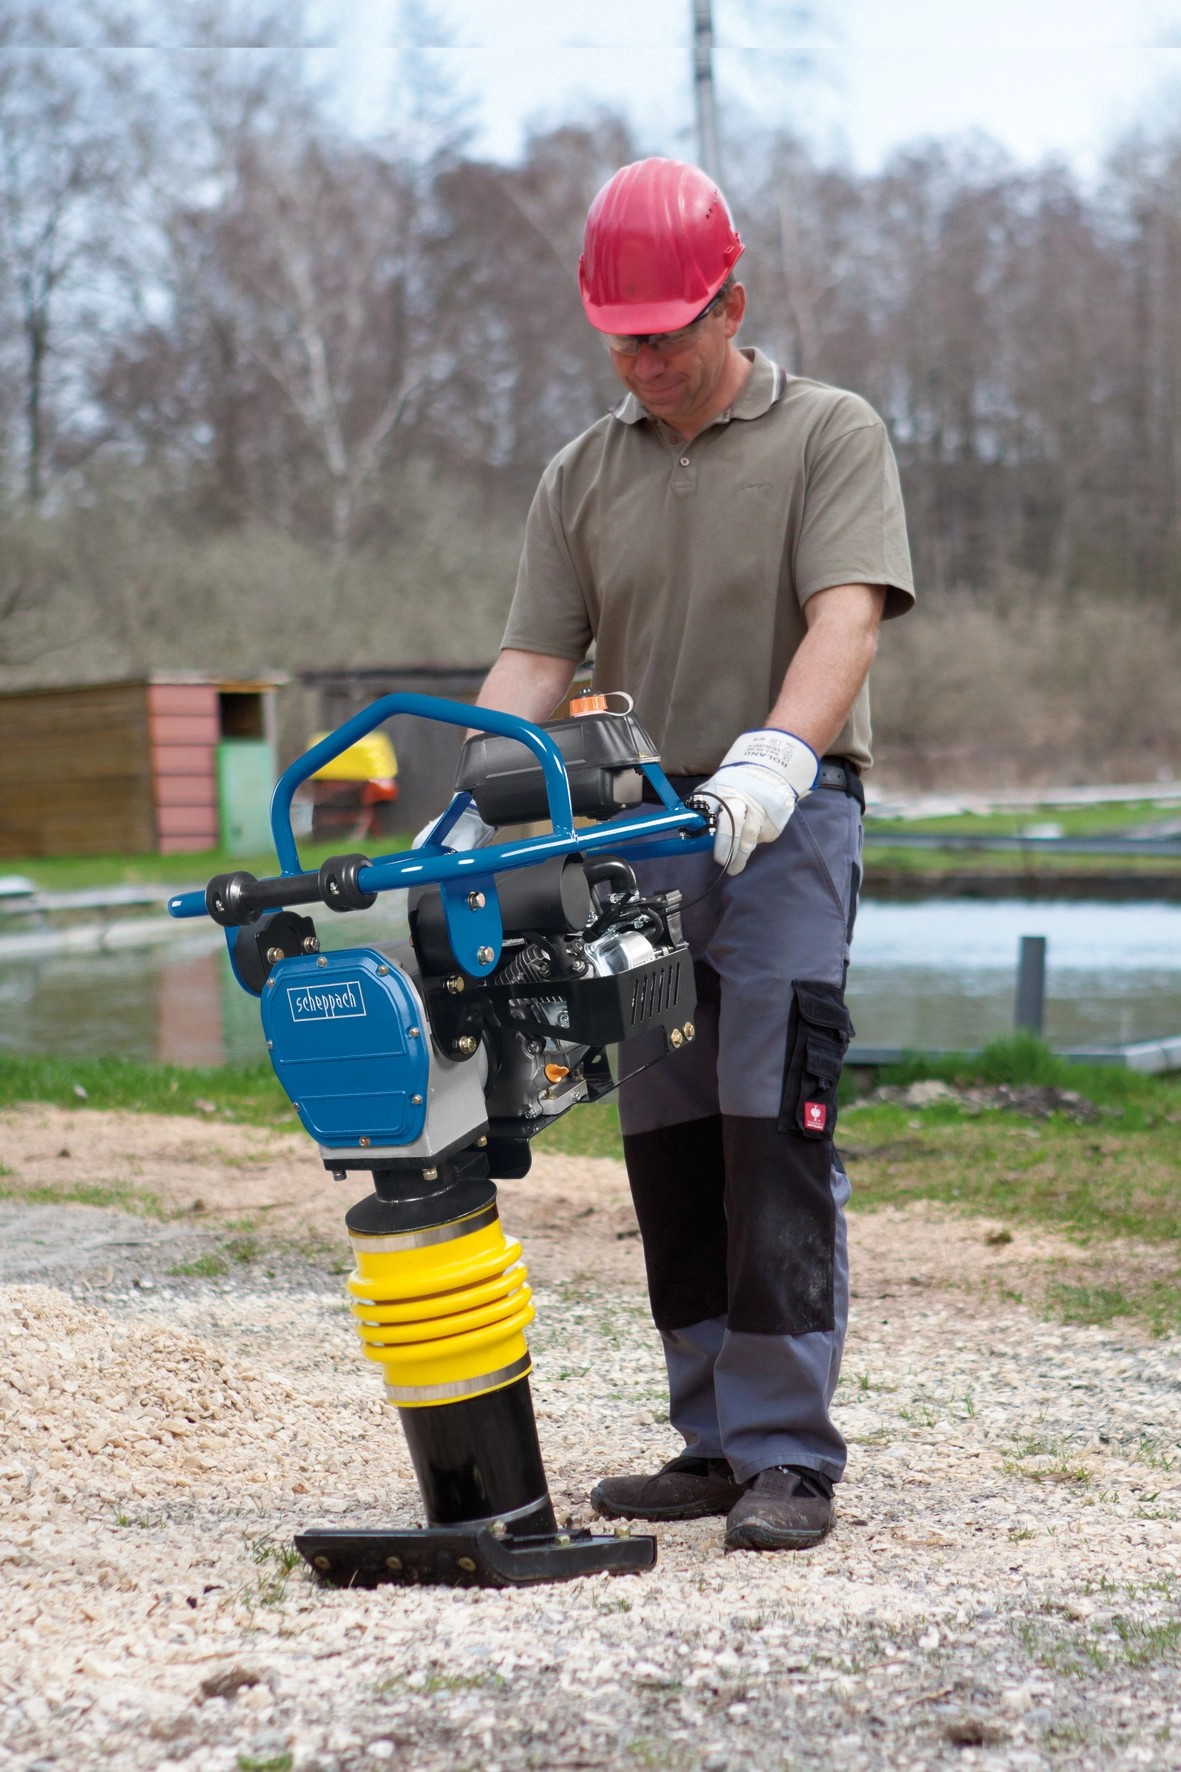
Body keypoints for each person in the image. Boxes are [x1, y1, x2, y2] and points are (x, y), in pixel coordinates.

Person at [425, 157, 914, 1551]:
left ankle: (785, 1455)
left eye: (665, 330)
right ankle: (708, 1434)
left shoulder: (827, 433)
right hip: (630, 824)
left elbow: (846, 619)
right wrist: (473, 791)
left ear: (730, 304)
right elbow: (535, 652)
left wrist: (777, 756)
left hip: (783, 811)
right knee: (670, 1130)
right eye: (619, 335)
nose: (641, 357)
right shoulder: (581, 473)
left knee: (770, 1120)